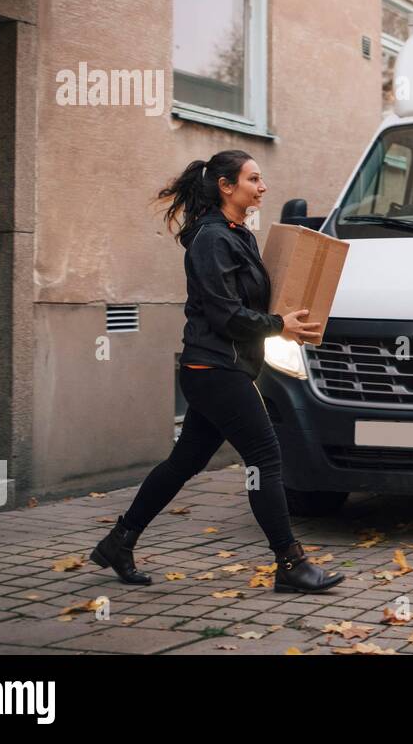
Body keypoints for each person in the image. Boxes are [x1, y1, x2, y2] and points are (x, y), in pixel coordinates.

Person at [89, 149, 344, 594]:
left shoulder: (237, 233)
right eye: (254, 179)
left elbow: (251, 303)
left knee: (183, 462)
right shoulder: (211, 239)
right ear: (227, 186)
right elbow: (226, 313)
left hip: (224, 367)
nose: (262, 187)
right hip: (214, 368)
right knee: (265, 458)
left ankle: (119, 541)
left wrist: (288, 320)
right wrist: (279, 326)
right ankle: (290, 562)